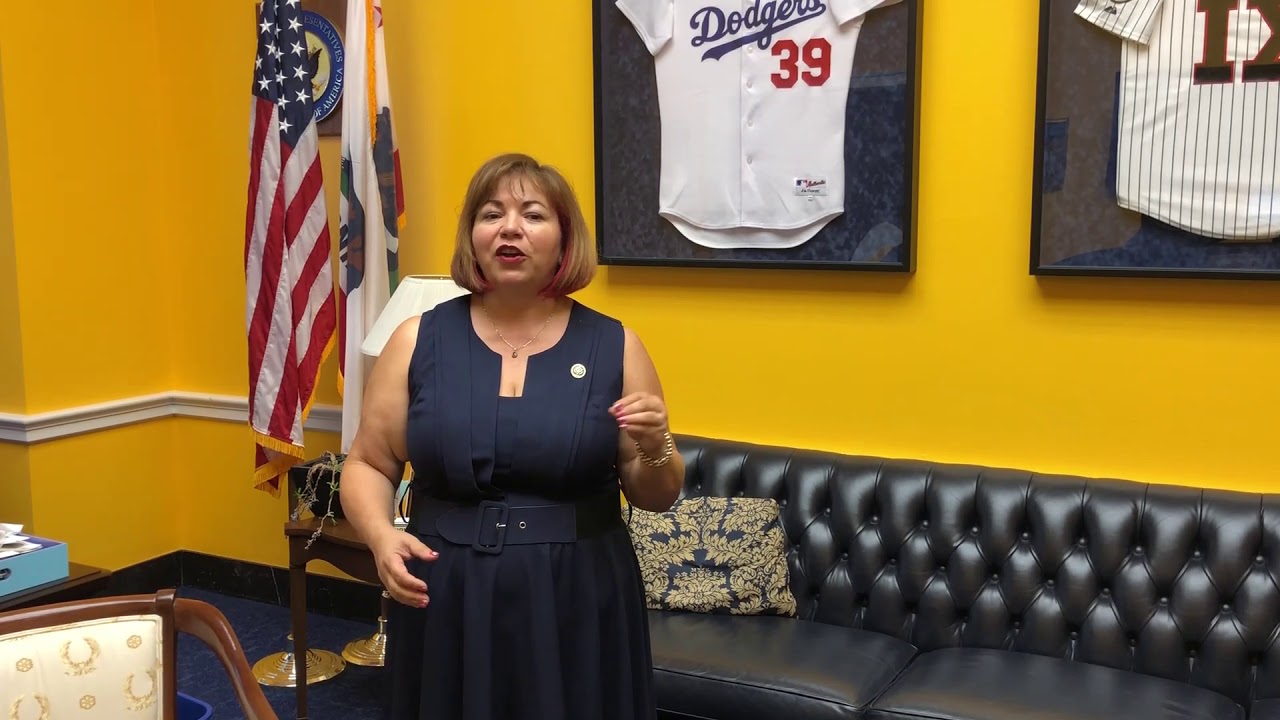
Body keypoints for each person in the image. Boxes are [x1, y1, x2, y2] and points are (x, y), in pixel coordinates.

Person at [340, 152, 685, 719]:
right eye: (491, 213)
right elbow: (369, 464)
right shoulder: (415, 340)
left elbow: (657, 493)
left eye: (532, 215)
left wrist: (658, 445)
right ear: (473, 236)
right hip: (446, 590)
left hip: (576, 593)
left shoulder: (616, 346)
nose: (510, 228)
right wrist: (380, 536)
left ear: (564, 239)